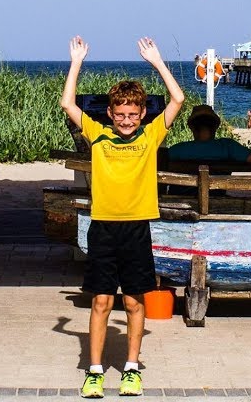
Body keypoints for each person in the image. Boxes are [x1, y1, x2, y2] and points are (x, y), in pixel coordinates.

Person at [60, 35, 185, 399]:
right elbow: (68, 103)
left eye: (133, 114)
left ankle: (131, 369)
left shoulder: (150, 136)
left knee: (133, 301)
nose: (126, 120)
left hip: (136, 229)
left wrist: (157, 62)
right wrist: (77, 62)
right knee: (101, 301)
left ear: (142, 114)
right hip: (103, 229)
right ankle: (95, 372)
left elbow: (178, 99)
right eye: (120, 115)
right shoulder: (98, 135)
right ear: (110, 115)